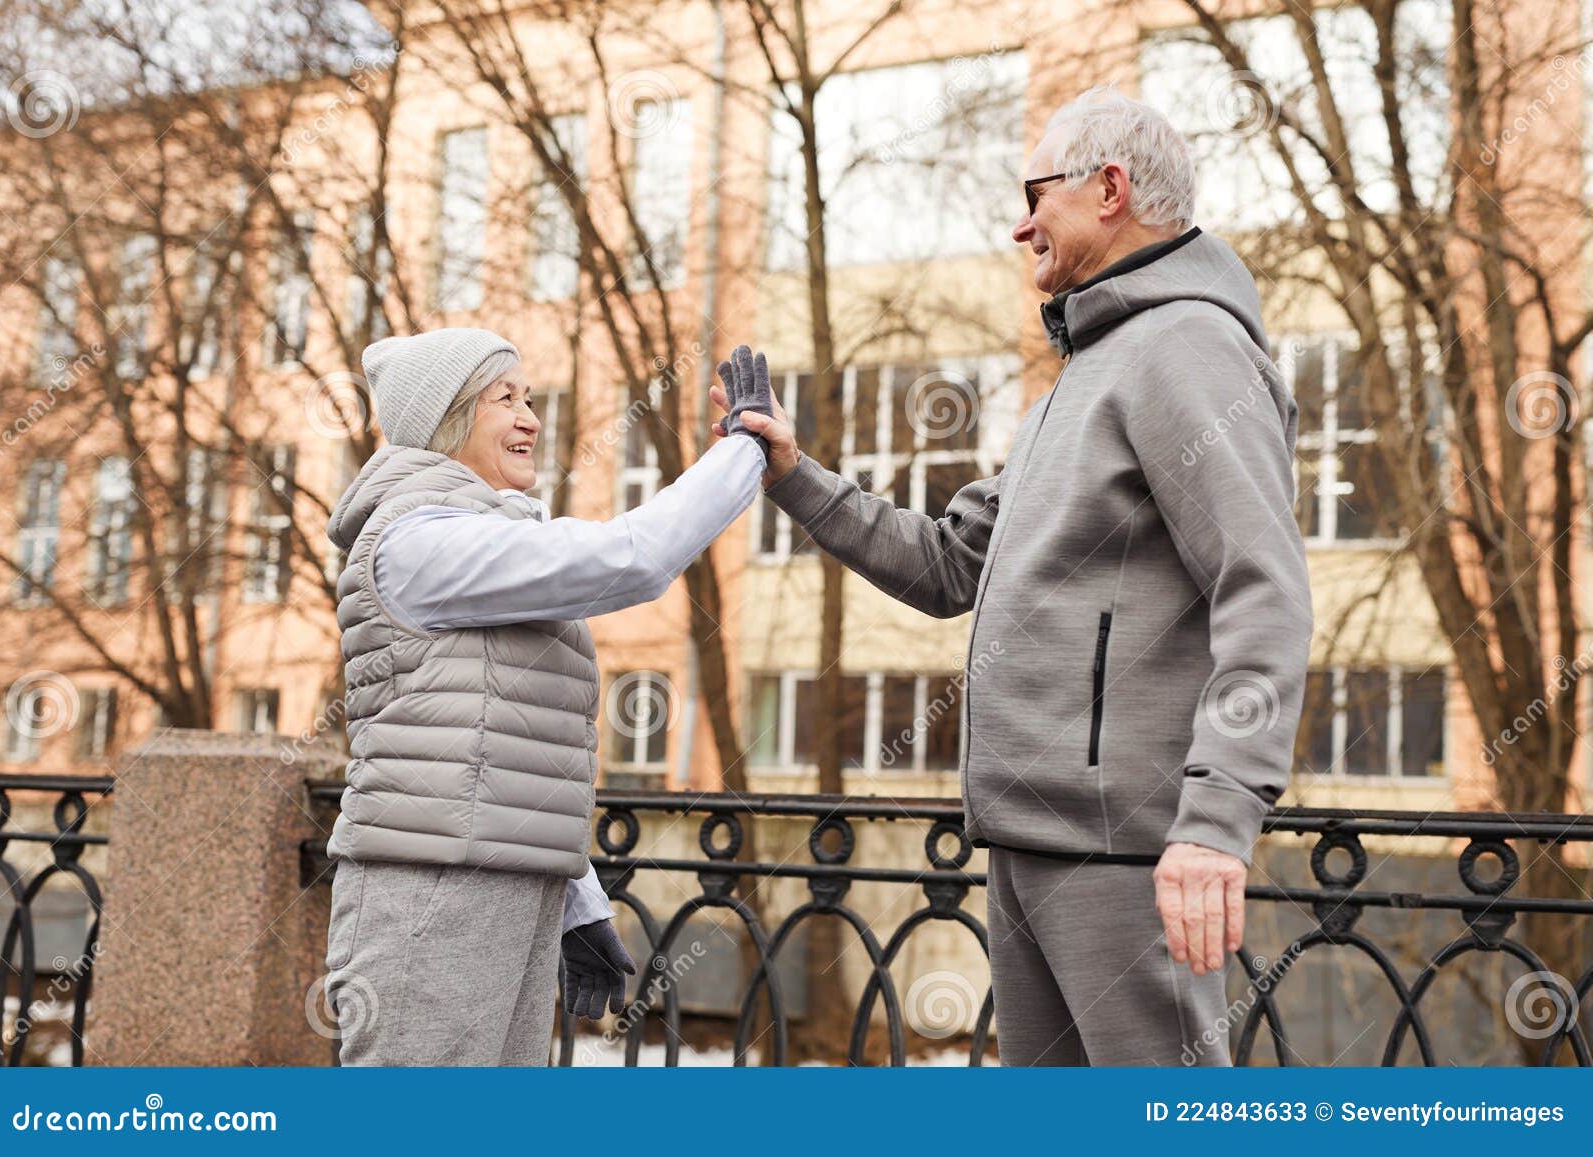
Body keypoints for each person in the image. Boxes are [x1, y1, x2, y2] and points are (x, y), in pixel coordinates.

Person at [711, 87, 1313, 1066]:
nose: (1019, 220)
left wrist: (1214, 819)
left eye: (1037, 193)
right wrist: (790, 474)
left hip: (1129, 850)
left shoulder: (1188, 347)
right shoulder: (1080, 380)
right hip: (1032, 838)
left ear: (1108, 188)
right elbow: (951, 562)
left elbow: (1265, 589)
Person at [323, 329, 773, 1065]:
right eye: (506, 399)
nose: (531, 418)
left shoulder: (475, 542)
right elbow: (634, 557)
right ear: (446, 420)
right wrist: (745, 449)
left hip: (499, 896)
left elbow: (498, 751)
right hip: (428, 900)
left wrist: (574, 893)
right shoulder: (417, 541)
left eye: (529, 398)